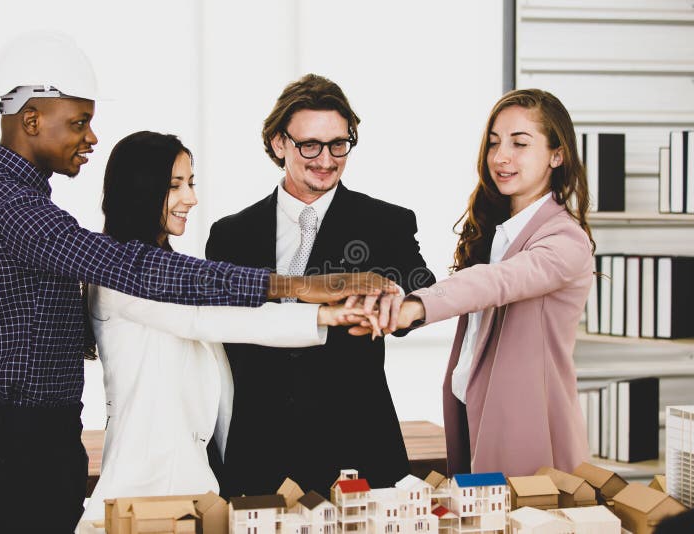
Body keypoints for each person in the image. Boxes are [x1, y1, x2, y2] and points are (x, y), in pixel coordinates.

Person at [0, 33, 394, 534]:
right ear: (32, 120)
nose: (90, 137)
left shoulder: (22, 203)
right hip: (27, 439)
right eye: (79, 123)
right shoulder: (14, 208)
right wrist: (305, 293)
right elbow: (167, 291)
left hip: (44, 436)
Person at [81, 131, 375, 521]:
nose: (191, 198)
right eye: (175, 186)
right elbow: (209, 316)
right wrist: (321, 313)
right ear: (140, 191)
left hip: (188, 487)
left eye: (191, 183)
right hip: (149, 491)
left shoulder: (161, 274)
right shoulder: (122, 280)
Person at [206, 73, 435, 497]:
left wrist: (395, 298)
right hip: (258, 453)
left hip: (356, 449)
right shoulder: (230, 234)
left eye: (338, 144)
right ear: (279, 143)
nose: (326, 159)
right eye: (309, 145)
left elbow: (420, 287)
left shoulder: (386, 222)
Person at [381, 88, 595, 477]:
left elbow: (495, 282)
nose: (501, 157)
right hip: (472, 411)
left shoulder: (566, 240)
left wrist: (415, 306)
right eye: (494, 143)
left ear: (557, 154)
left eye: (520, 143)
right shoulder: (500, 234)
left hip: (528, 427)